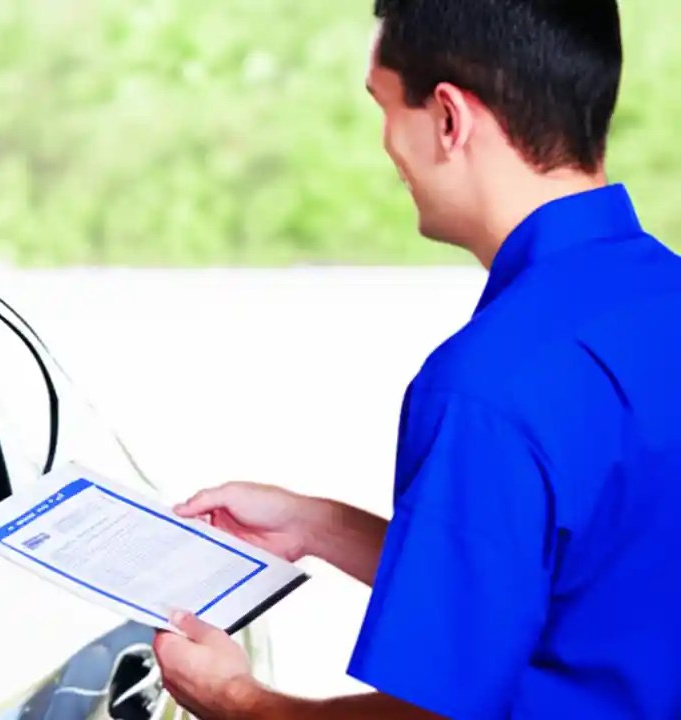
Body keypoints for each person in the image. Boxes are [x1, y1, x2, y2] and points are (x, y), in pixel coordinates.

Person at [152, 1, 681, 718]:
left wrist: (236, 698)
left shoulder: (488, 386)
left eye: (383, 105)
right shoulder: (659, 297)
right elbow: (590, 588)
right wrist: (320, 528)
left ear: (447, 119)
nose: (384, 144)